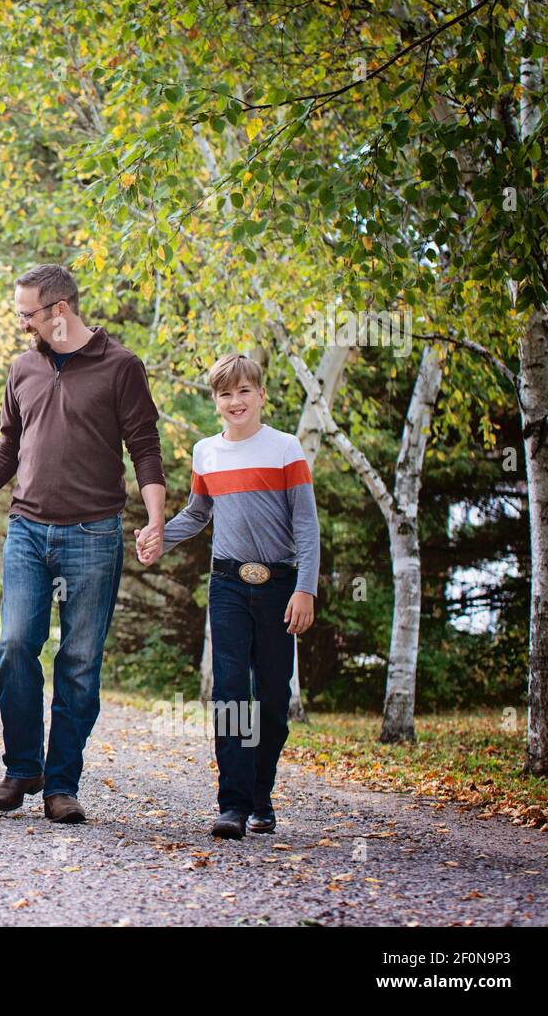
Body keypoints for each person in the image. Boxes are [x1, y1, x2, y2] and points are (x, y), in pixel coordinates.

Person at [0, 264, 166, 823]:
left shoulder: (120, 366)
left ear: (59, 309)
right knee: (14, 646)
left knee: (80, 661)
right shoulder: (23, 368)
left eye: (27, 314)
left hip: (94, 533)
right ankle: (22, 769)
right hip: (27, 530)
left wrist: (156, 519)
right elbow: (8, 449)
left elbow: (145, 447)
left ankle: (62, 783)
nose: (22, 324)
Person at [136, 352, 319, 839]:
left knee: (274, 701)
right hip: (229, 585)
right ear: (215, 400)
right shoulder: (206, 452)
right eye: (224, 393)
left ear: (261, 395)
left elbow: (306, 525)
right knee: (231, 692)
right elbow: (198, 514)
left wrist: (305, 588)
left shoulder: (286, 448)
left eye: (243, 391)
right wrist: (159, 534)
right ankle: (233, 805)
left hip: (280, 586)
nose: (235, 401)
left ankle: (262, 794)